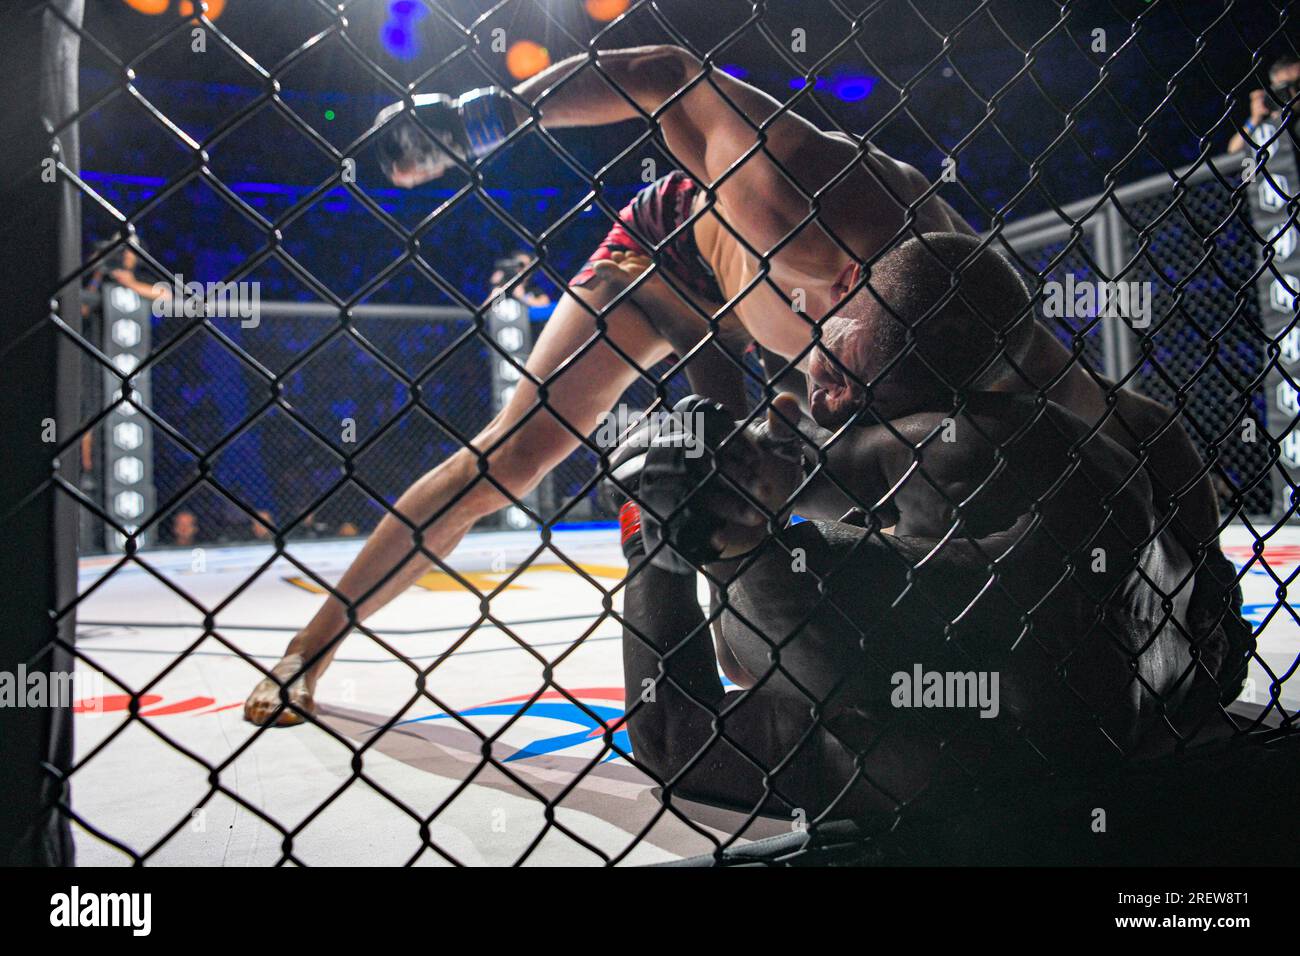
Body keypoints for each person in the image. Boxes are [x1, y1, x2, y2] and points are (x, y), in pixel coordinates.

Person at [241, 47, 1190, 725]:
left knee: (769, 526)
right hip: (666, 263)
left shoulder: (989, 332)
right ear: (847, 292)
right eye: (842, 374)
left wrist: (1199, 573)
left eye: (860, 392)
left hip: (801, 331)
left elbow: (1141, 423)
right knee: (516, 454)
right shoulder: (794, 194)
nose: (828, 398)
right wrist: (475, 121)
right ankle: (307, 650)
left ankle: (762, 623)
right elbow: (671, 76)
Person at [611, 234, 1252, 821]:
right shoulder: (1083, 434)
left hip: (965, 753)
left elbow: (770, 647)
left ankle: (661, 532)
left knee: (689, 734)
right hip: (1125, 709)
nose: (824, 398)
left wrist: (689, 515)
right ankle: (717, 538)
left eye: (838, 378)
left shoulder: (942, 448)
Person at [1227, 54, 1299, 155]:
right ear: (1274, 89)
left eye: (1297, 85)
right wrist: (1255, 119)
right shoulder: (1268, 116)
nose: (1293, 93)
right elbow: (1233, 150)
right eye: (1284, 88)